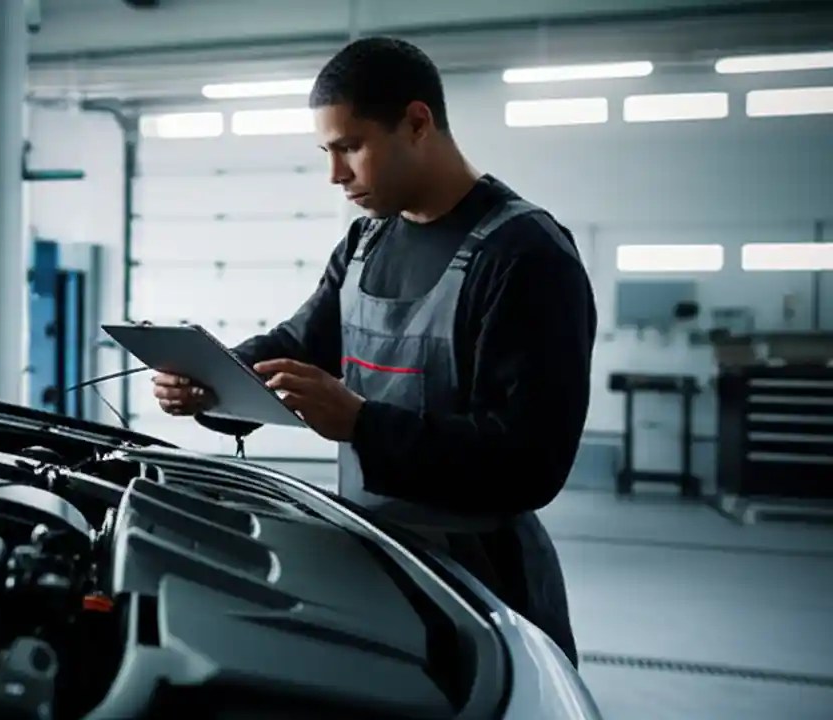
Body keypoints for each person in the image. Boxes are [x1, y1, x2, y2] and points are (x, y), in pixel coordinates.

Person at [150, 36, 596, 666]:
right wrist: (208, 381)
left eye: (350, 147)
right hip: (376, 558)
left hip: (486, 589)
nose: (335, 175)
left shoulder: (525, 256)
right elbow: (298, 347)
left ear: (417, 123)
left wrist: (362, 423)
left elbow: (531, 462)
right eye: (326, 152)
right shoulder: (366, 242)